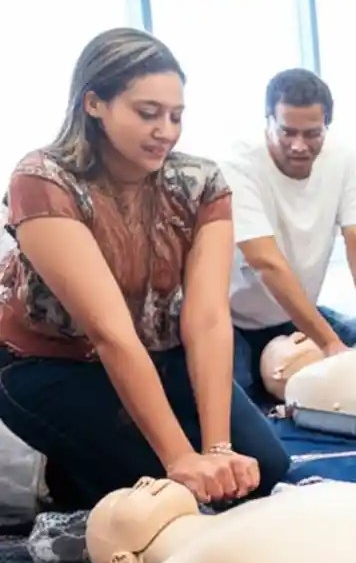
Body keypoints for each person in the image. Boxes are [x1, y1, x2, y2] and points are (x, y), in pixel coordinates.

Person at [0, 28, 289, 512]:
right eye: (147, 113)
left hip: (158, 350)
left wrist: (218, 450)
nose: (167, 130)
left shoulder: (200, 182)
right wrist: (180, 459)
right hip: (51, 364)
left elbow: (209, 319)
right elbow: (109, 332)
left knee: (261, 470)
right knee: (173, 496)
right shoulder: (43, 180)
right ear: (94, 103)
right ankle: (58, 474)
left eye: (176, 116)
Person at [221, 68, 356, 396]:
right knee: (233, 405)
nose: (299, 145)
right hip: (235, 322)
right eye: (287, 132)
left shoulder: (342, 158)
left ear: (327, 125)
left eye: (312, 134)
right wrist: (329, 345)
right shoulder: (238, 164)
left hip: (299, 316)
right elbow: (265, 262)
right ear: (268, 120)